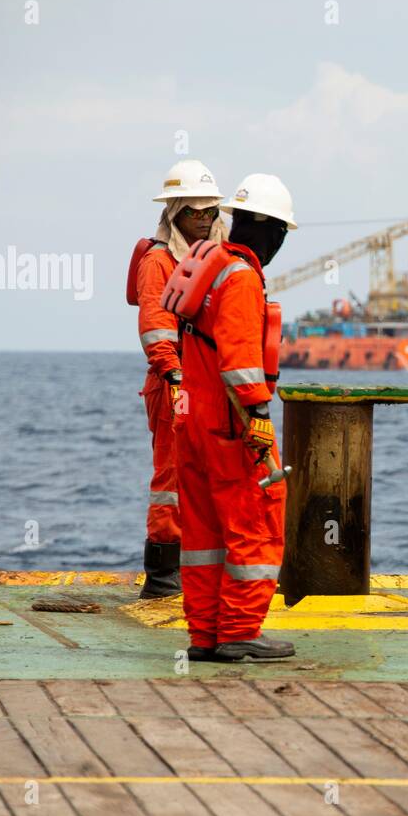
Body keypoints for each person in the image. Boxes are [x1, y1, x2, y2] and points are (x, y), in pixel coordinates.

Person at [168, 173, 297, 661]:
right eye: (281, 232)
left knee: (203, 533)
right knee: (255, 520)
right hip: (231, 422)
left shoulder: (210, 265)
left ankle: (205, 633)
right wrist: (259, 415)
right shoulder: (242, 277)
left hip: (192, 420)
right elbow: (241, 360)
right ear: (269, 229)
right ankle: (240, 631)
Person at [135, 159, 227, 598]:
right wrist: (173, 376)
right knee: (171, 481)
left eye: (211, 212)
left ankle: (201, 567)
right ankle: (162, 574)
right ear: (176, 213)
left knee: (209, 478)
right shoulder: (157, 261)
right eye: (196, 212)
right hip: (173, 384)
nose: (206, 221)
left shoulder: (216, 258)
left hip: (208, 385)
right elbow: (155, 326)